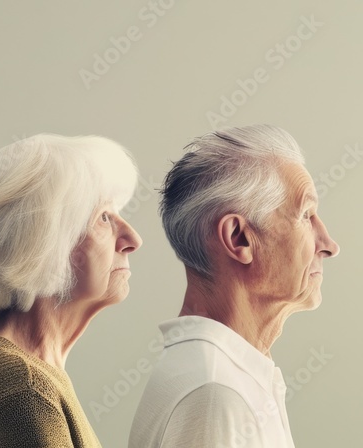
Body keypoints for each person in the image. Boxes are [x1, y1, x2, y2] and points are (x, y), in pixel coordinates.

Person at [128, 125, 340, 448]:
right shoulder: (216, 396)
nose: (329, 244)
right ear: (238, 238)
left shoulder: (223, 378)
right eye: (306, 215)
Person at [0, 134, 142, 448]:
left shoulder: (24, 369)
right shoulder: (24, 390)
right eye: (103, 217)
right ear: (45, 242)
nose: (133, 239)